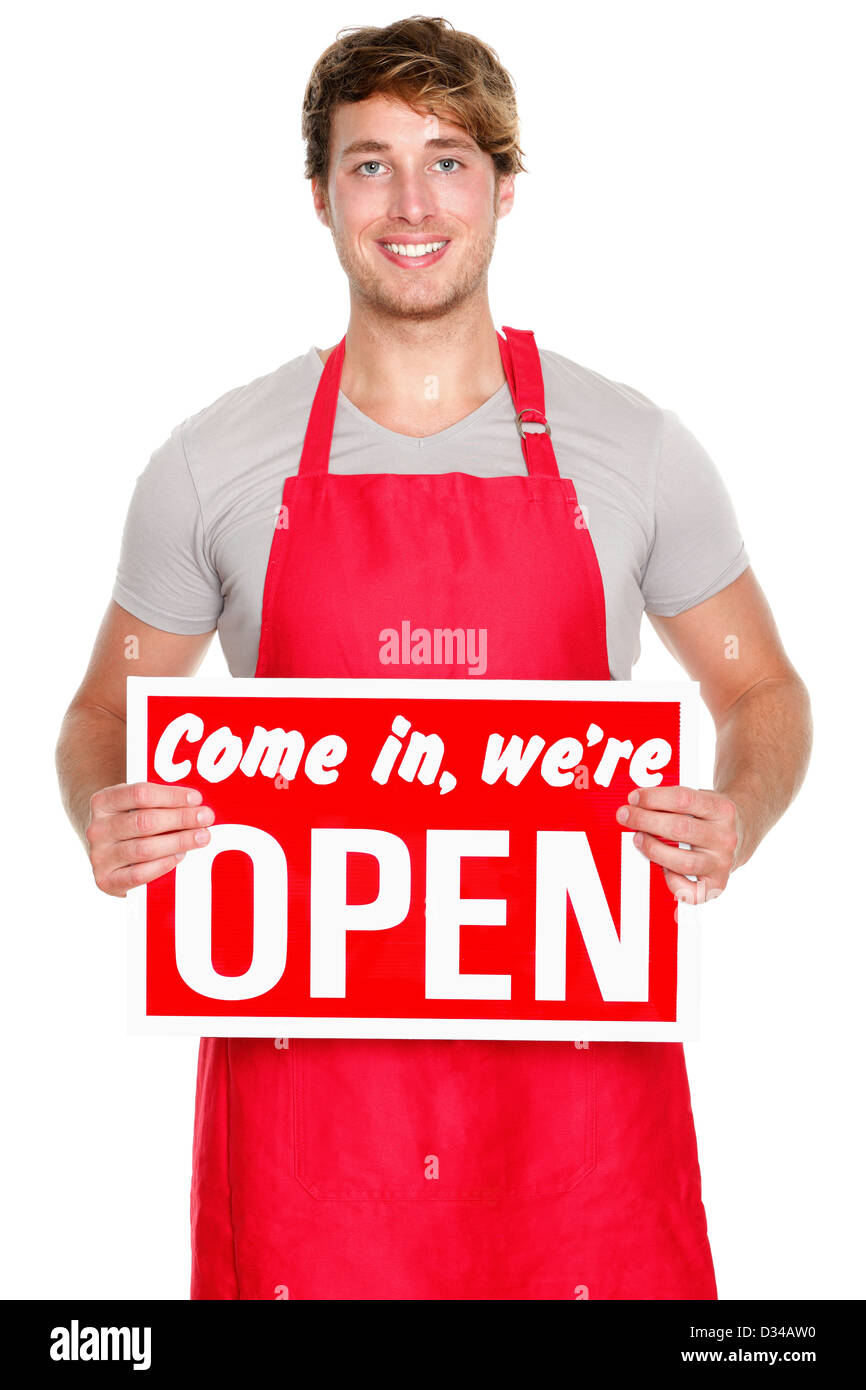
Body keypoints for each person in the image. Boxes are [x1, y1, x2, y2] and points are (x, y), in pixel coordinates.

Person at [56, 15, 812, 1300]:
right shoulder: (213, 462)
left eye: (448, 160)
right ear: (317, 194)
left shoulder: (630, 449)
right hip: (313, 1134)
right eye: (369, 164)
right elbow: (102, 714)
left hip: (572, 1126)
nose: (411, 203)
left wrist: (735, 807)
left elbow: (758, 687)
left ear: (506, 187)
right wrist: (101, 813)